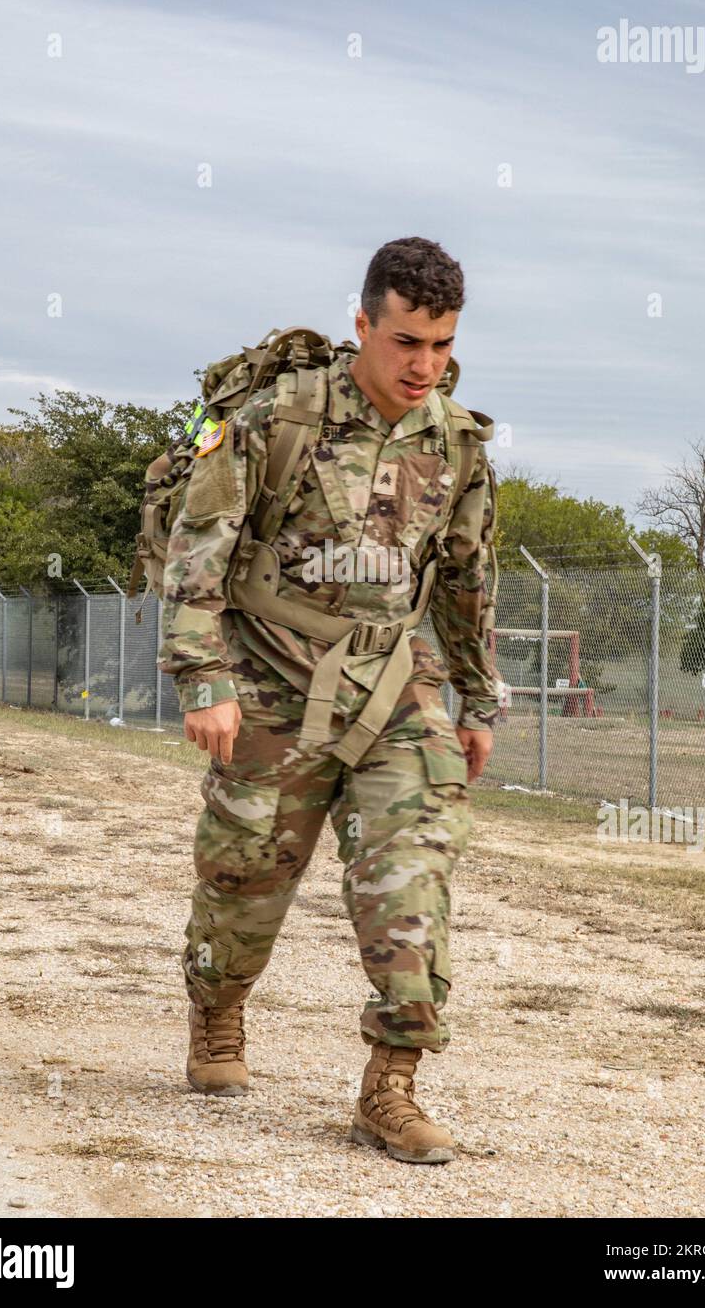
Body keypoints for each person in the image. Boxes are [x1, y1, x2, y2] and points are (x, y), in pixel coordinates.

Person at [157, 236, 498, 1163]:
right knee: (245, 881)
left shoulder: (458, 442)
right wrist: (204, 676)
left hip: (396, 689)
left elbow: (466, 580)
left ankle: (390, 1087)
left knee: (415, 873)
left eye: (442, 344)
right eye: (405, 342)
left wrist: (477, 699)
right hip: (269, 677)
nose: (425, 365)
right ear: (363, 325)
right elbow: (200, 547)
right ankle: (217, 1007)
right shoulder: (280, 419)